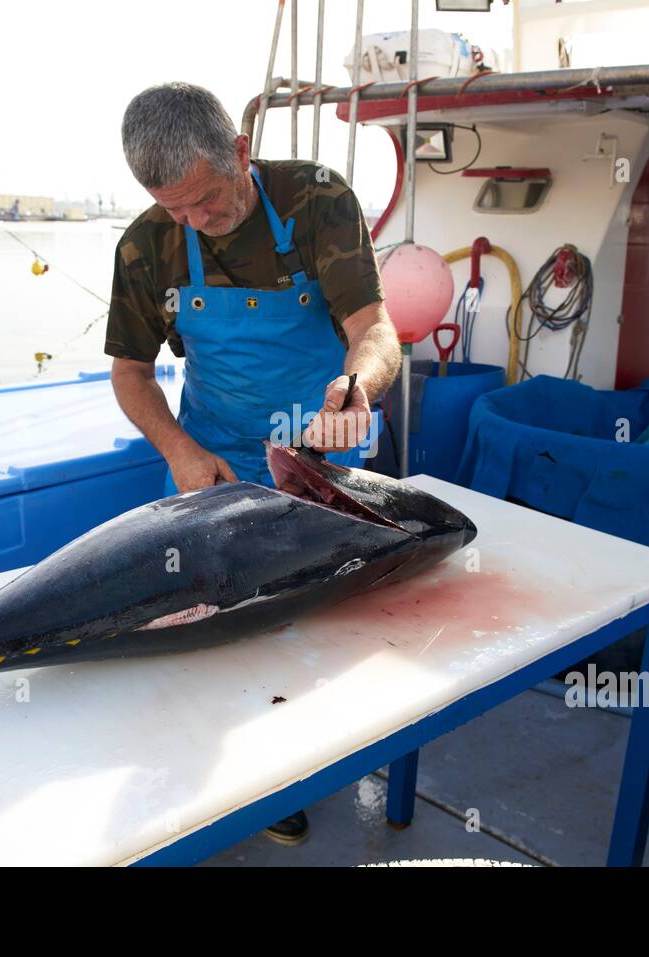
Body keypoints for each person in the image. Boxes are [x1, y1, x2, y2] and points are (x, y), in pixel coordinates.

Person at [105, 82, 401, 845]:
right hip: (214, 459)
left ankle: (298, 764)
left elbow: (374, 328)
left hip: (321, 449)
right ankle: (241, 779)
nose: (195, 222)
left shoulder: (318, 203)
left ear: (240, 151)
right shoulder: (146, 245)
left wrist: (357, 387)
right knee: (210, 629)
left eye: (207, 200)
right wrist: (179, 450)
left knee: (318, 631)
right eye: (177, 210)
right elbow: (131, 373)